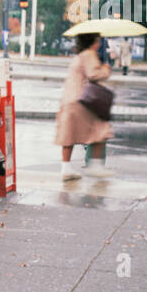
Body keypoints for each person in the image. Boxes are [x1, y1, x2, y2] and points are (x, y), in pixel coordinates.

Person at [54, 32, 113, 181]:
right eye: (98, 40)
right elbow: (93, 74)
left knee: (69, 133)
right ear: (92, 41)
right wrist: (106, 68)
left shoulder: (79, 56)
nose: (99, 43)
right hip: (83, 101)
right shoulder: (89, 54)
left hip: (70, 100)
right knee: (100, 127)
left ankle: (66, 169)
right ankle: (95, 165)